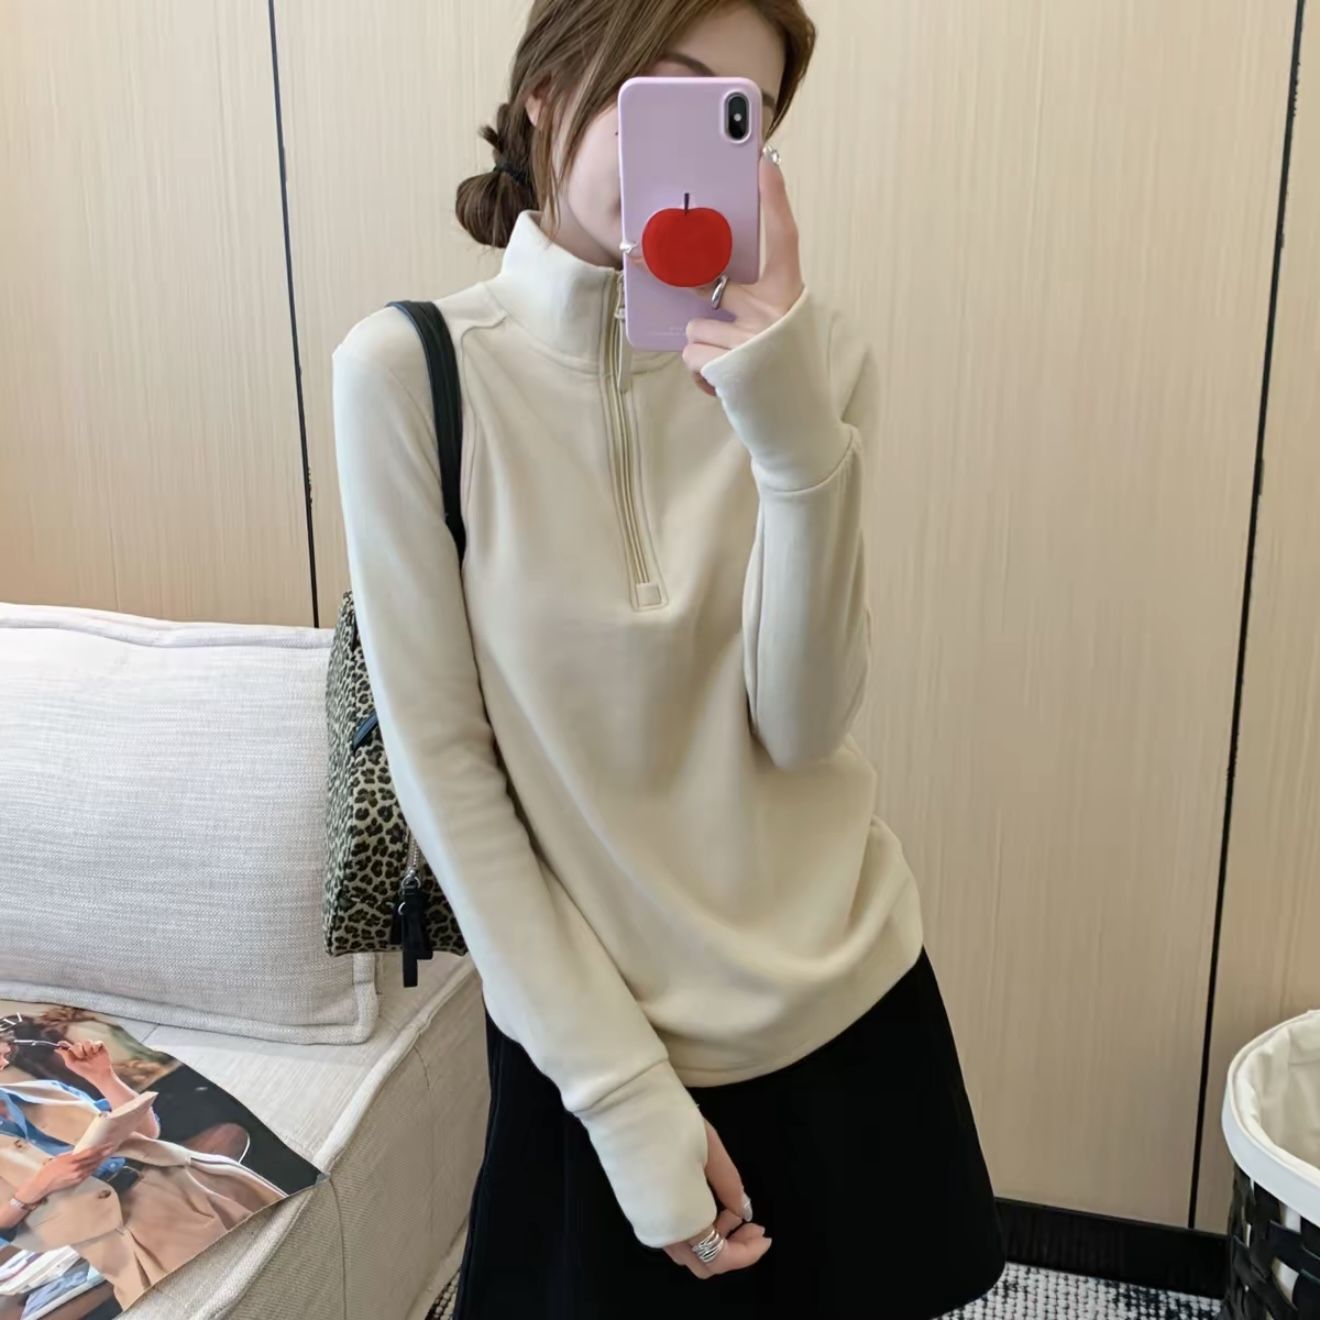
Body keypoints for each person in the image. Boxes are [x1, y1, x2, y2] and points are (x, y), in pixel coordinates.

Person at [333, 1, 1006, 1315]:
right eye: (663, 85)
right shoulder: (409, 375)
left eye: (735, 118)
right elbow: (449, 776)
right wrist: (626, 1101)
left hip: (852, 1008)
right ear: (546, 86)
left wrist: (793, 441)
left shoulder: (816, 362)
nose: (690, 141)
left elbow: (802, 725)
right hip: (601, 1060)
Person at [0, 1028, 283, 1309]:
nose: (5, 1055)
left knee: (297, 1252)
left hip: (194, 1180)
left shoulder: (45, 1091)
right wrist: (39, 1185)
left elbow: (147, 1132)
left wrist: (103, 1076)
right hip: (130, 1236)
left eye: (4, 1050)